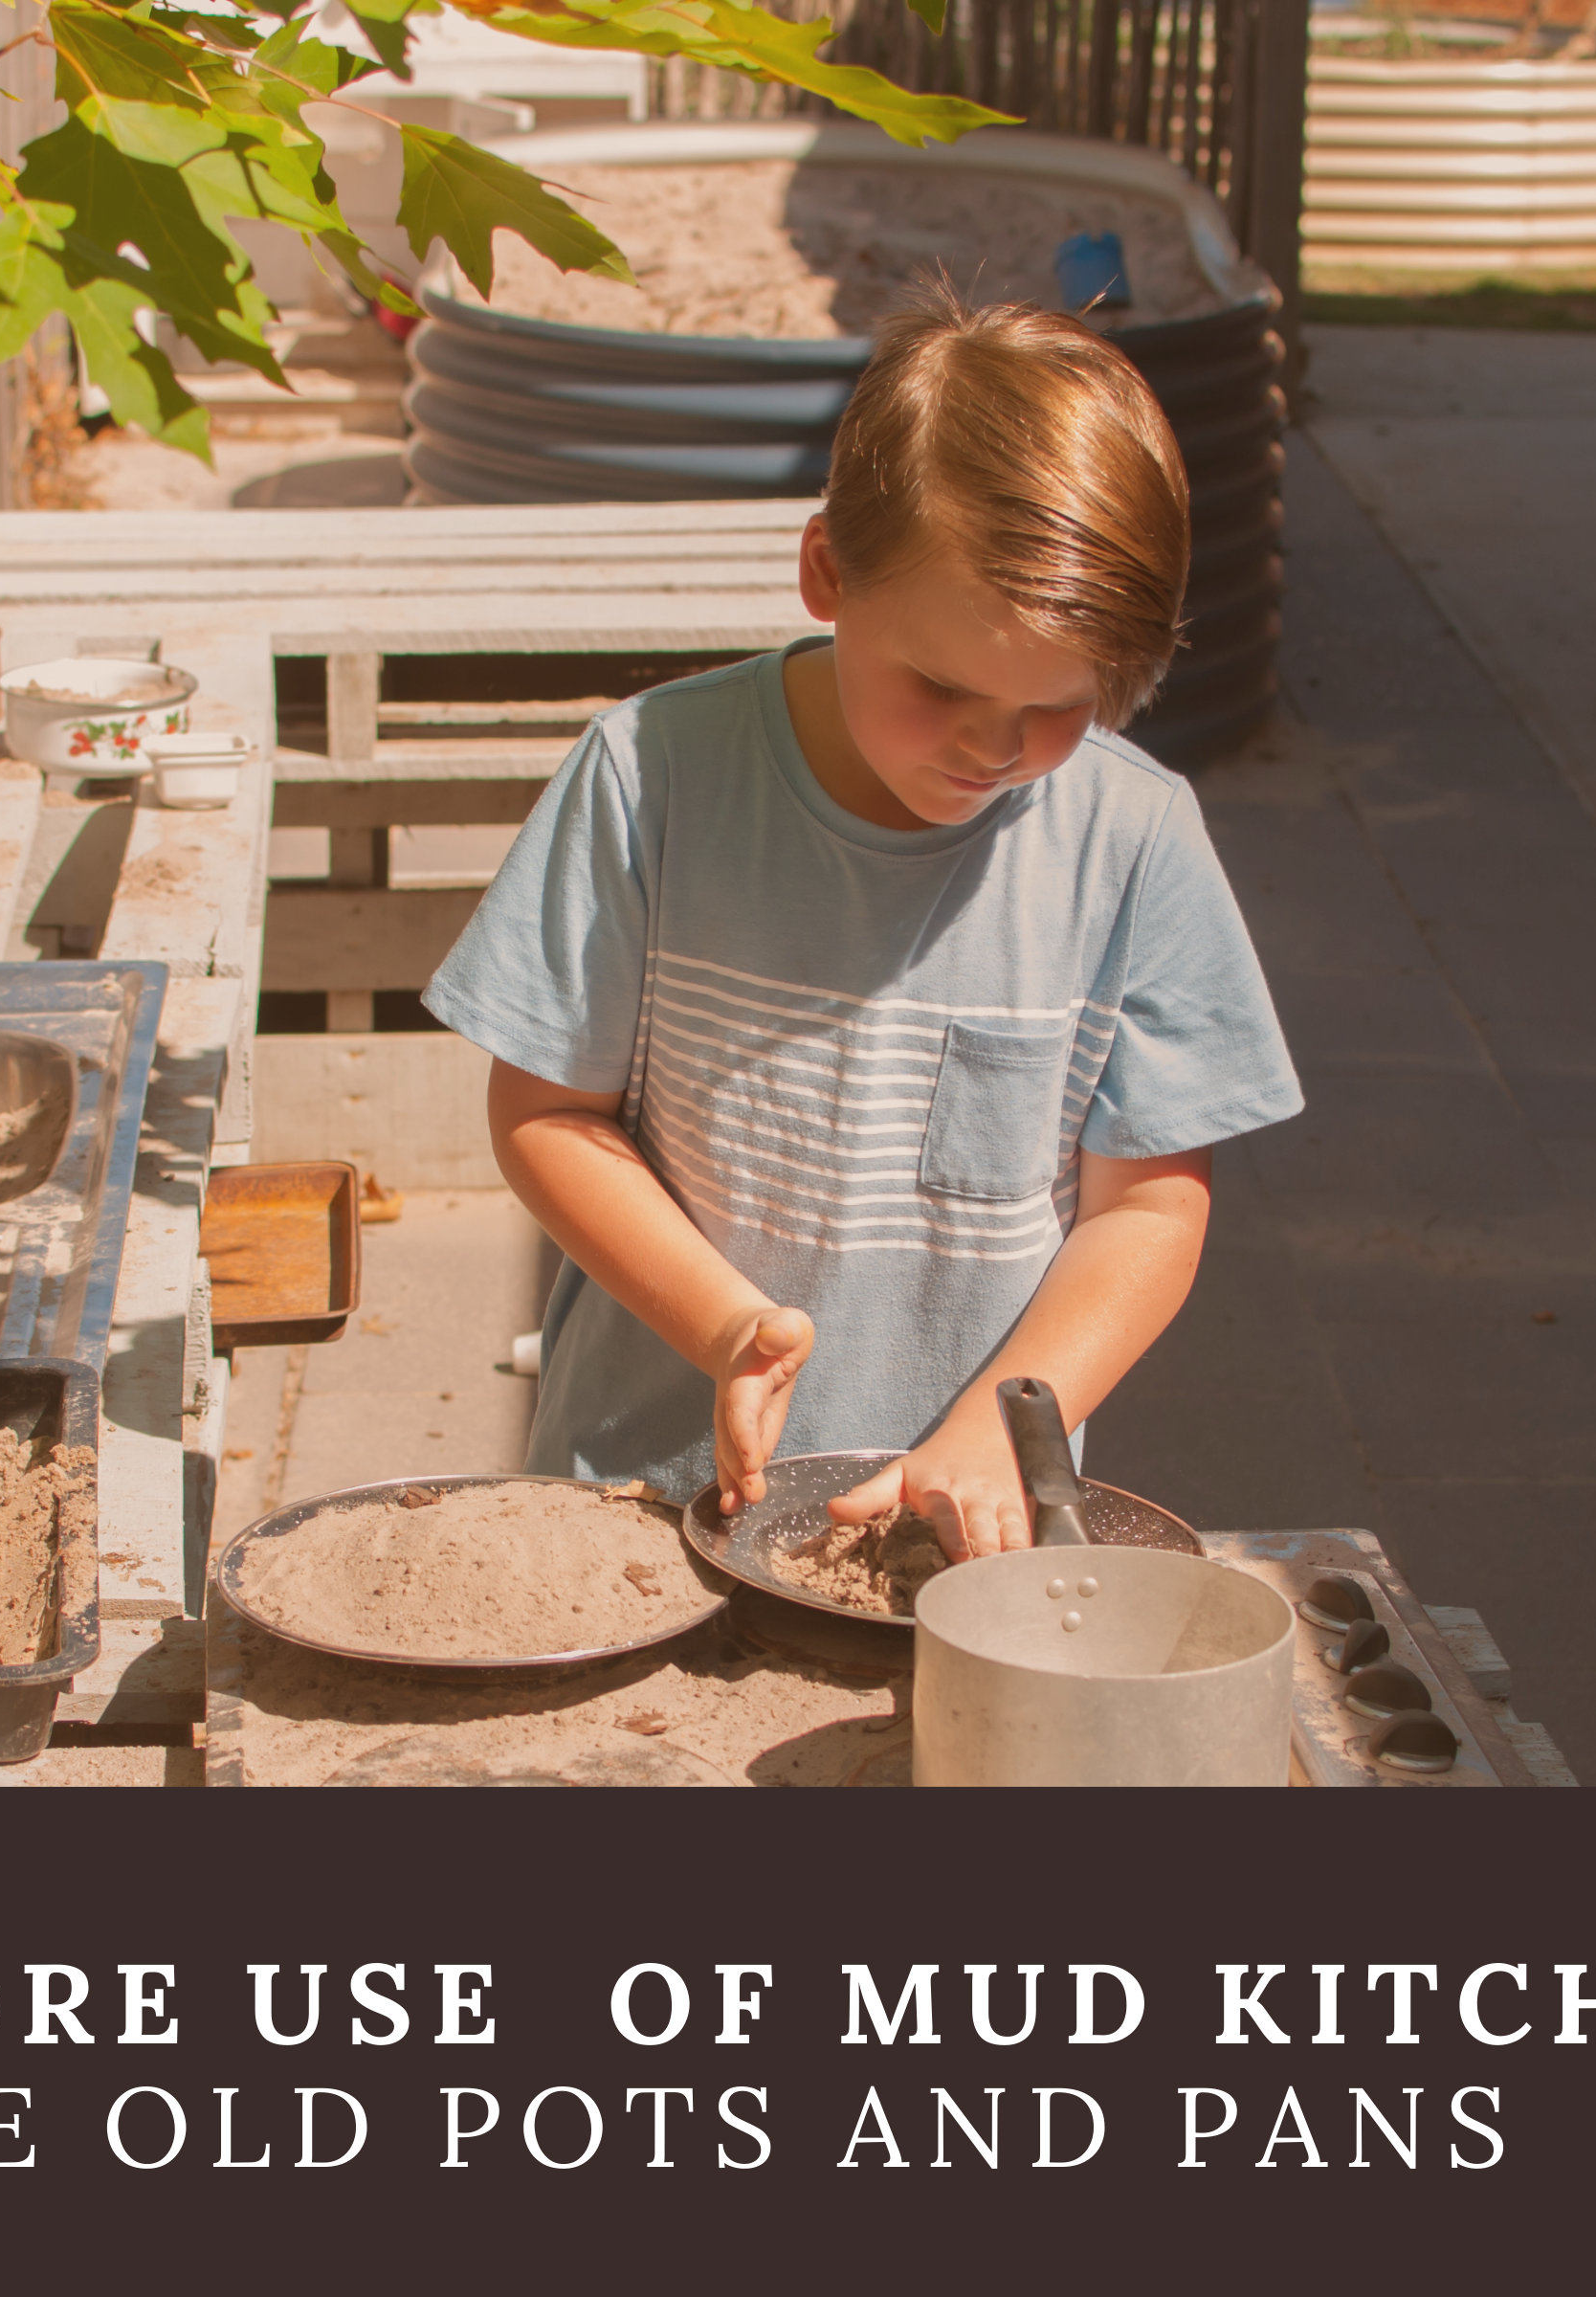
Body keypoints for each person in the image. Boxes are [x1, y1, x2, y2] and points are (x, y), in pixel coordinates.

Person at [420, 288, 1302, 1558]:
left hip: (954, 1535)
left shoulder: (1133, 839)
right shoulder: (649, 778)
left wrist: (1015, 1420)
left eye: (1059, 706)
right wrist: (726, 1327)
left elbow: (1147, 1209)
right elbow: (545, 1114)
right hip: (646, 1504)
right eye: (941, 685)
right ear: (827, 569)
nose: (993, 749)